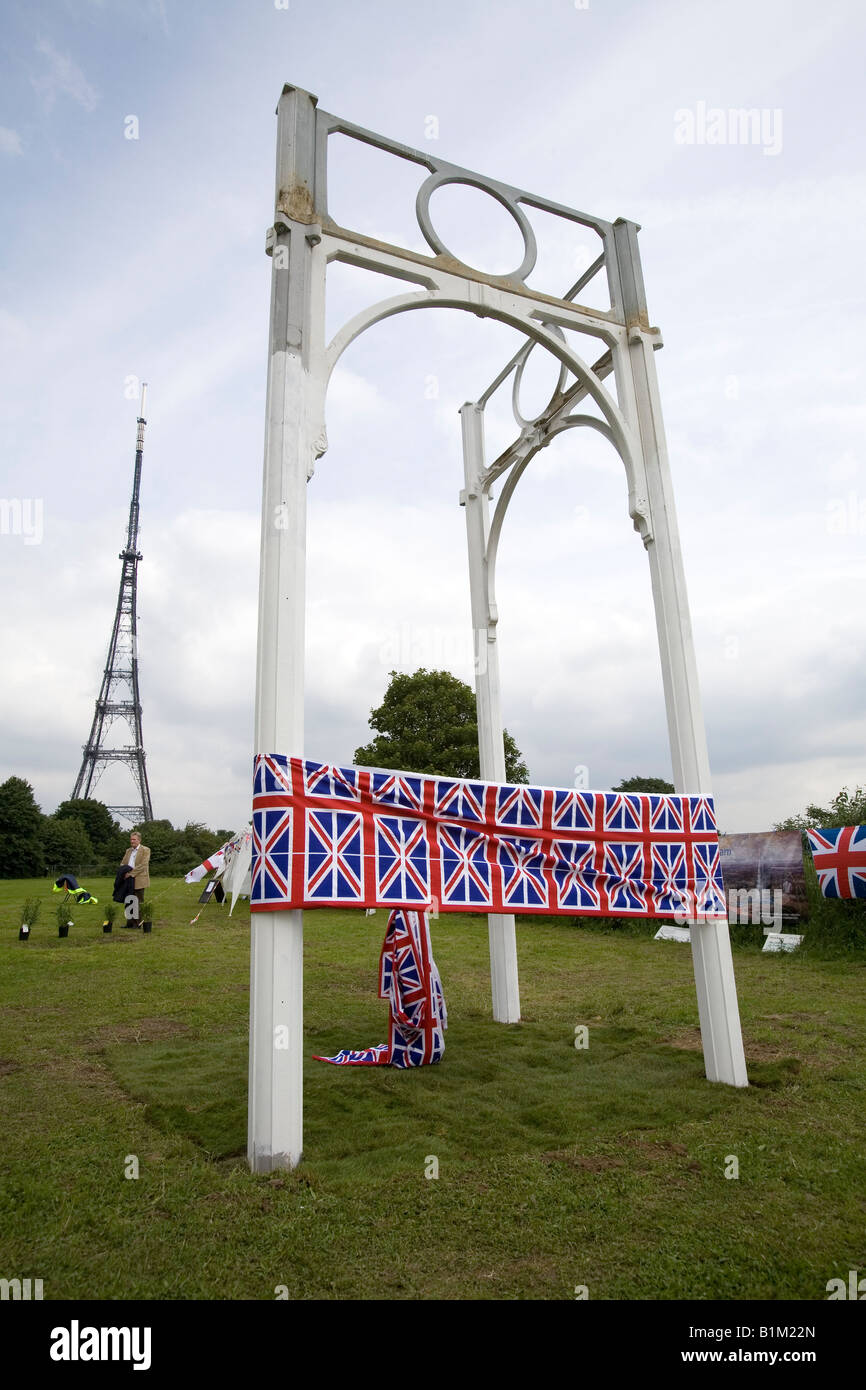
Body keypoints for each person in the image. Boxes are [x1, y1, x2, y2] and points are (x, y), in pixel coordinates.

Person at [120, 831, 150, 928]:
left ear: (139, 840)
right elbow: (123, 863)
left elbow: (143, 865)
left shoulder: (145, 850)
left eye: (134, 839)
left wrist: (131, 874)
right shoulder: (128, 851)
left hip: (139, 879)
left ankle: (138, 923)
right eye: (131, 839)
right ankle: (129, 923)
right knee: (128, 900)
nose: (132, 841)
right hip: (128, 879)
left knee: (137, 901)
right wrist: (124, 871)